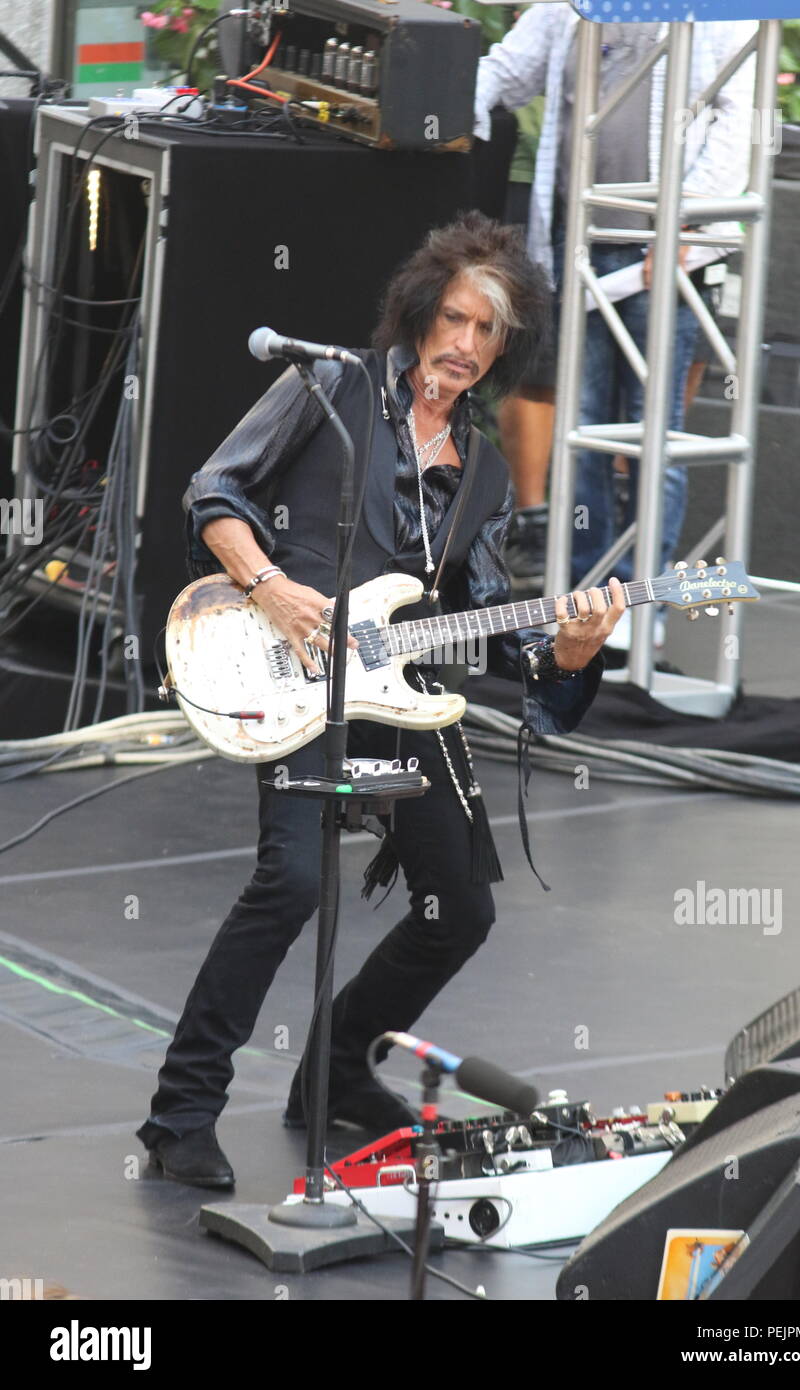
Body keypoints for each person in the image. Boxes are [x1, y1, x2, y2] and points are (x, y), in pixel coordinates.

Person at [135, 212, 626, 1189]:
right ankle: (180, 1112)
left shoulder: (482, 469)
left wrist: (566, 648)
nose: (466, 345)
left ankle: (328, 1070)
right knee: (293, 882)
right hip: (293, 662)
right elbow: (213, 491)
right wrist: (270, 586)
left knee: (459, 912)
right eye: (454, 318)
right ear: (417, 311)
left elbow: (487, 619)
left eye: (488, 332)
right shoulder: (331, 387)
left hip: (404, 688)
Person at [474, 12, 757, 592]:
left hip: (667, 253)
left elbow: (739, 122)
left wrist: (681, 227)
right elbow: (504, 71)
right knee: (584, 428)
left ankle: (640, 601)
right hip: (580, 244)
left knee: (655, 430)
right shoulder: (566, 11)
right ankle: (586, 595)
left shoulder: (719, 14)